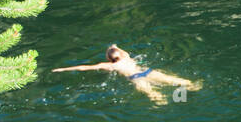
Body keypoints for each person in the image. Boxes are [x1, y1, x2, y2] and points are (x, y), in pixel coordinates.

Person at [51, 44, 199, 103]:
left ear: (109, 59)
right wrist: (113, 47)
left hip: (136, 78)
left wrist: (63, 69)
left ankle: (162, 102)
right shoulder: (127, 56)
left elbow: (84, 68)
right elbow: (116, 48)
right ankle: (191, 85)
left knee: (153, 94)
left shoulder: (110, 66)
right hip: (147, 71)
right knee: (172, 79)